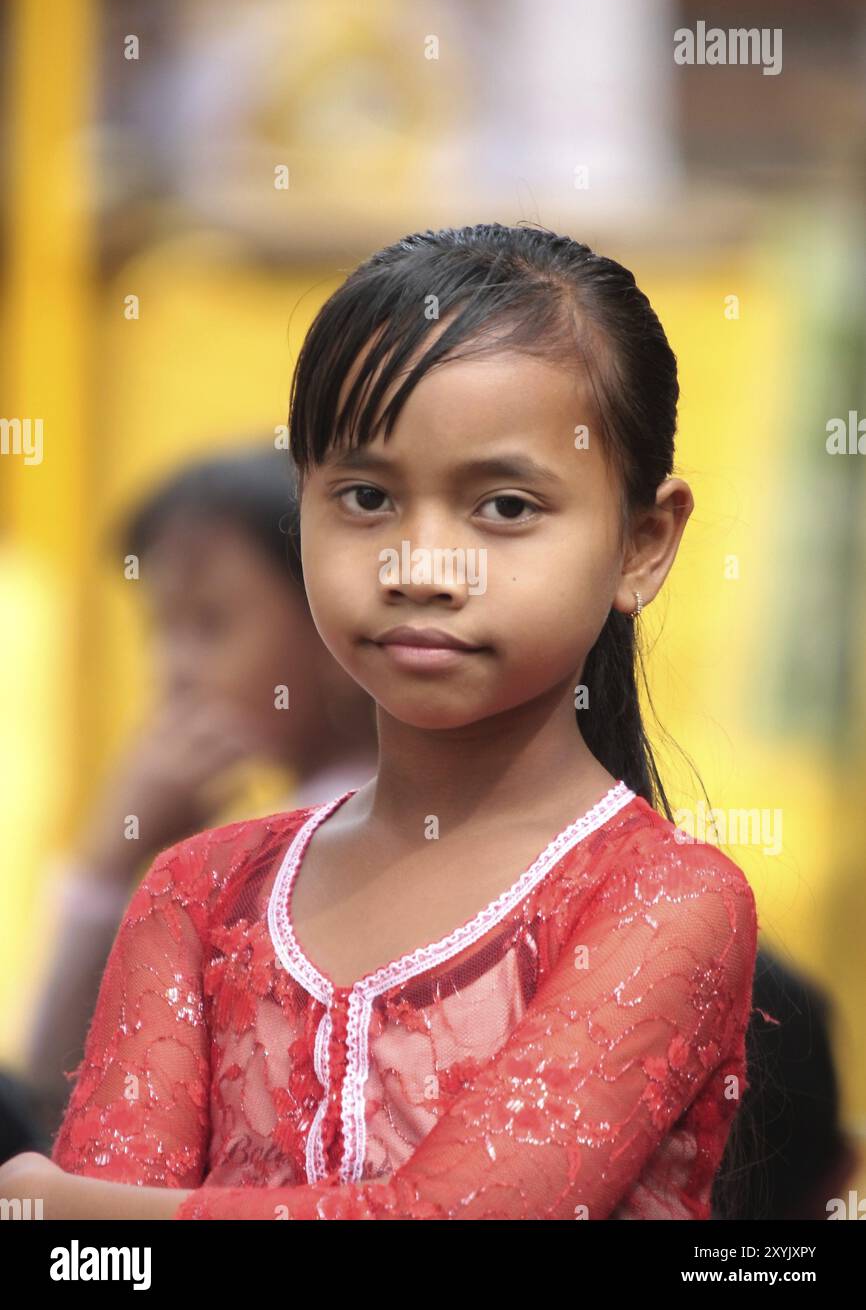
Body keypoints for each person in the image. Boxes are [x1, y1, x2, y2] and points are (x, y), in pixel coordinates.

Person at [3, 223, 760, 1219]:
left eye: (502, 507)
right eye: (365, 497)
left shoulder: (665, 900)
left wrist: (56, 1200)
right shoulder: (197, 893)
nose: (419, 568)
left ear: (641, 543)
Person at [22, 445, 378, 1141]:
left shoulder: (322, 856)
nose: (172, 671)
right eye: (161, 629)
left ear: (337, 624)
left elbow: (48, 1104)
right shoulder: (243, 848)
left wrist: (105, 867)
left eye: (210, 624)